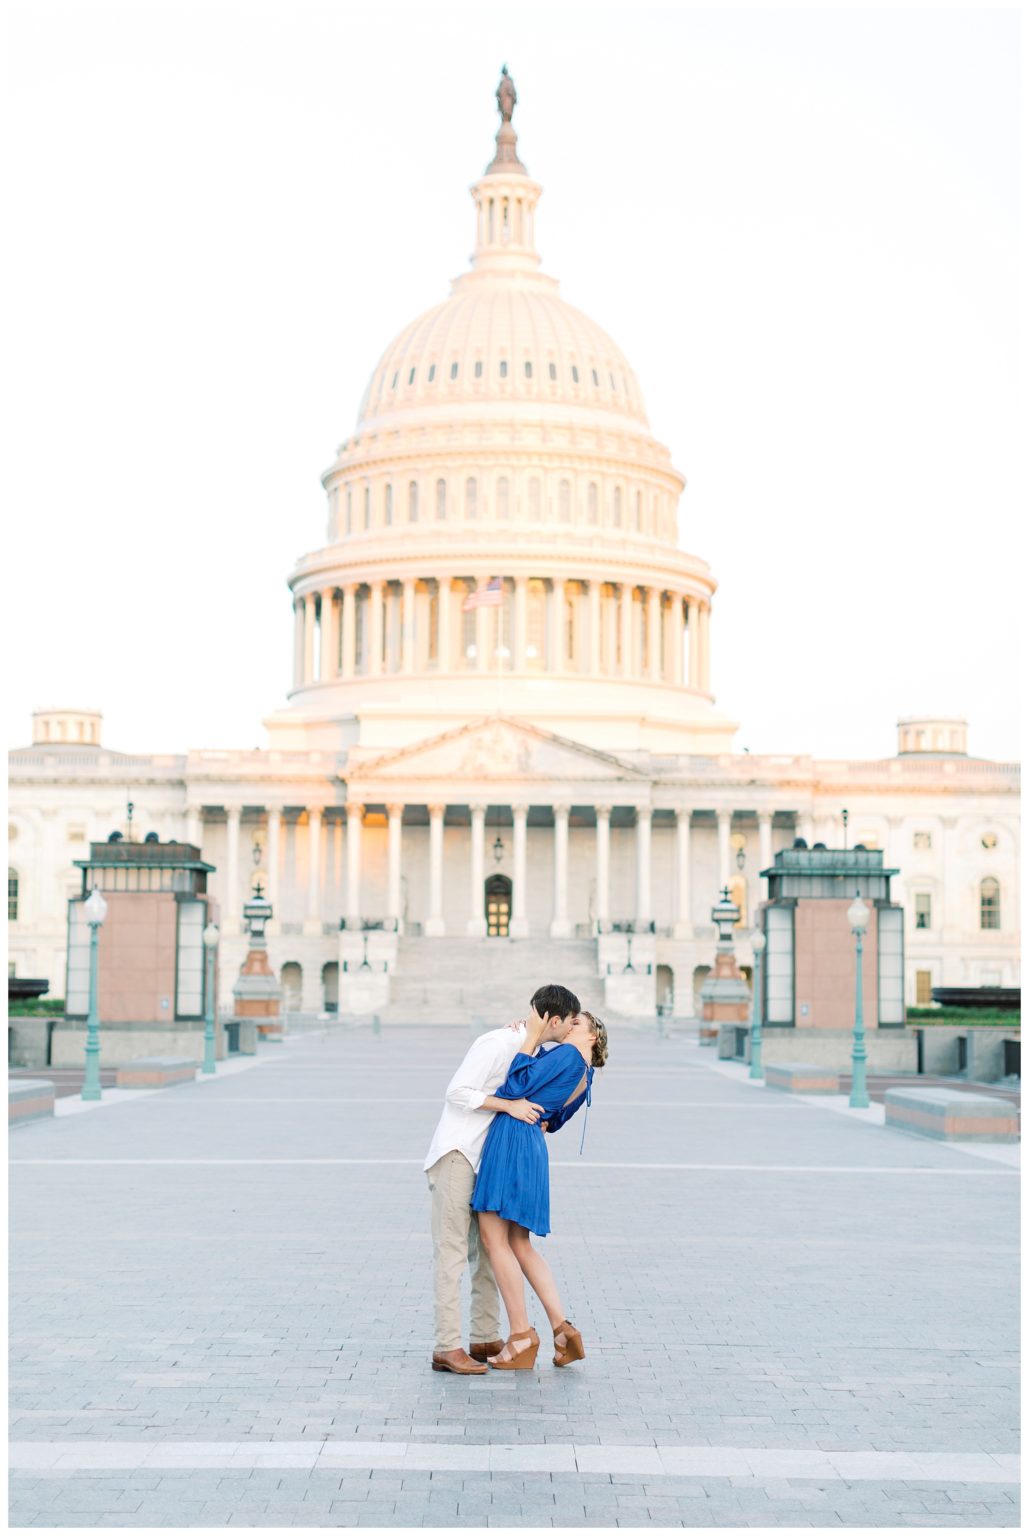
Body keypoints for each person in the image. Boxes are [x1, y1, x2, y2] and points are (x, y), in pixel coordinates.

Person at [423, 983, 581, 1375]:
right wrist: (508, 1105)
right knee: (453, 1254)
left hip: (488, 1161)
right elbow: (456, 1092)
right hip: (458, 1154)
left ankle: (484, 1336)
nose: (568, 1037)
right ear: (553, 1020)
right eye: (567, 1028)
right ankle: (447, 1346)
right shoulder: (496, 1043)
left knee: (489, 1256)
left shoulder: (532, 1049)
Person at [471, 1010, 609, 1370]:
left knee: (493, 1238)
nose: (567, 1026)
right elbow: (553, 1121)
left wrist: (531, 1039)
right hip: (532, 1144)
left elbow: (514, 1087)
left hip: (512, 1138)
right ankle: (562, 1330)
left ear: (592, 1037)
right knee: (519, 1243)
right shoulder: (585, 1074)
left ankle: (520, 1336)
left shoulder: (566, 1054)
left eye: (576, 1024)